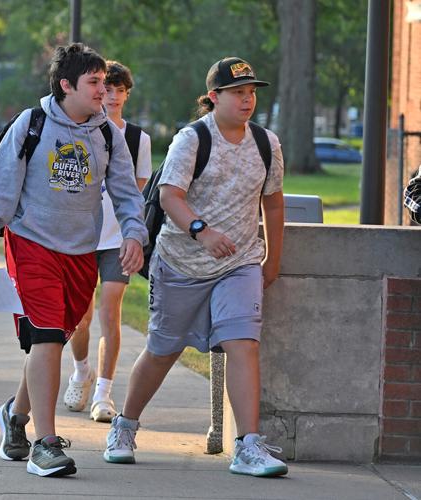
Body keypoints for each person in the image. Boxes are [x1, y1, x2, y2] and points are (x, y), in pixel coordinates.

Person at [0, 43, 147, 478]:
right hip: (31, 243)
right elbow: (0, 189)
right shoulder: (32, 124)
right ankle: (45, 445)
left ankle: (15, 414)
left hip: (80, 250)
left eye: (105, 82)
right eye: (95, 82)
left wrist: (135, 234)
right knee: (44, 338)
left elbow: (126, 192)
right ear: (67, 85)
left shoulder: (108, 134)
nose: (105, 90)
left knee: (54, 341)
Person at [102, 57, 287, 478]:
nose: (247, 100)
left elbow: (273, 200)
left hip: (239, 262)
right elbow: (169, 196)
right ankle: (125, 425)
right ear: (214, 98)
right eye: (238, 93)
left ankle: (248, 446)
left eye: (252, 92)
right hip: (181, 262)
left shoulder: (266, 143)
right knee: (164, 349)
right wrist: (202, 232)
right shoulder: (193, 138)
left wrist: (271, 259)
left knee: (244, 343)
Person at [63, 60, 152, 423]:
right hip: (83, 236)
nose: (112, 96)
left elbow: (137, 189)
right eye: (107, 89)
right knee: (81, 318)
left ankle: (104, 392)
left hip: (117, 239)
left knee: (110, 312)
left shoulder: (137, 139)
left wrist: (132, 232)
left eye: (119, 90)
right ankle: (81, 370)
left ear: (127, 94)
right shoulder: (81, 130)